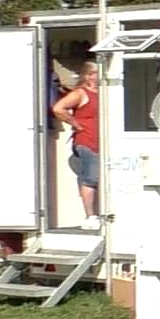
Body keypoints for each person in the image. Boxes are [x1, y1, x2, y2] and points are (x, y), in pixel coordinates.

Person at [50, 60, 102, 229]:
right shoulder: (80, 93)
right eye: (96, 72)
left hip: (102, 141)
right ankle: (90, 216)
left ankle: (100, 214)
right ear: (89, 76)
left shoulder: (103, 91)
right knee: (91, 178)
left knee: (98, 177)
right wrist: (76, 124)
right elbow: (59, 108)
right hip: (86, 141)